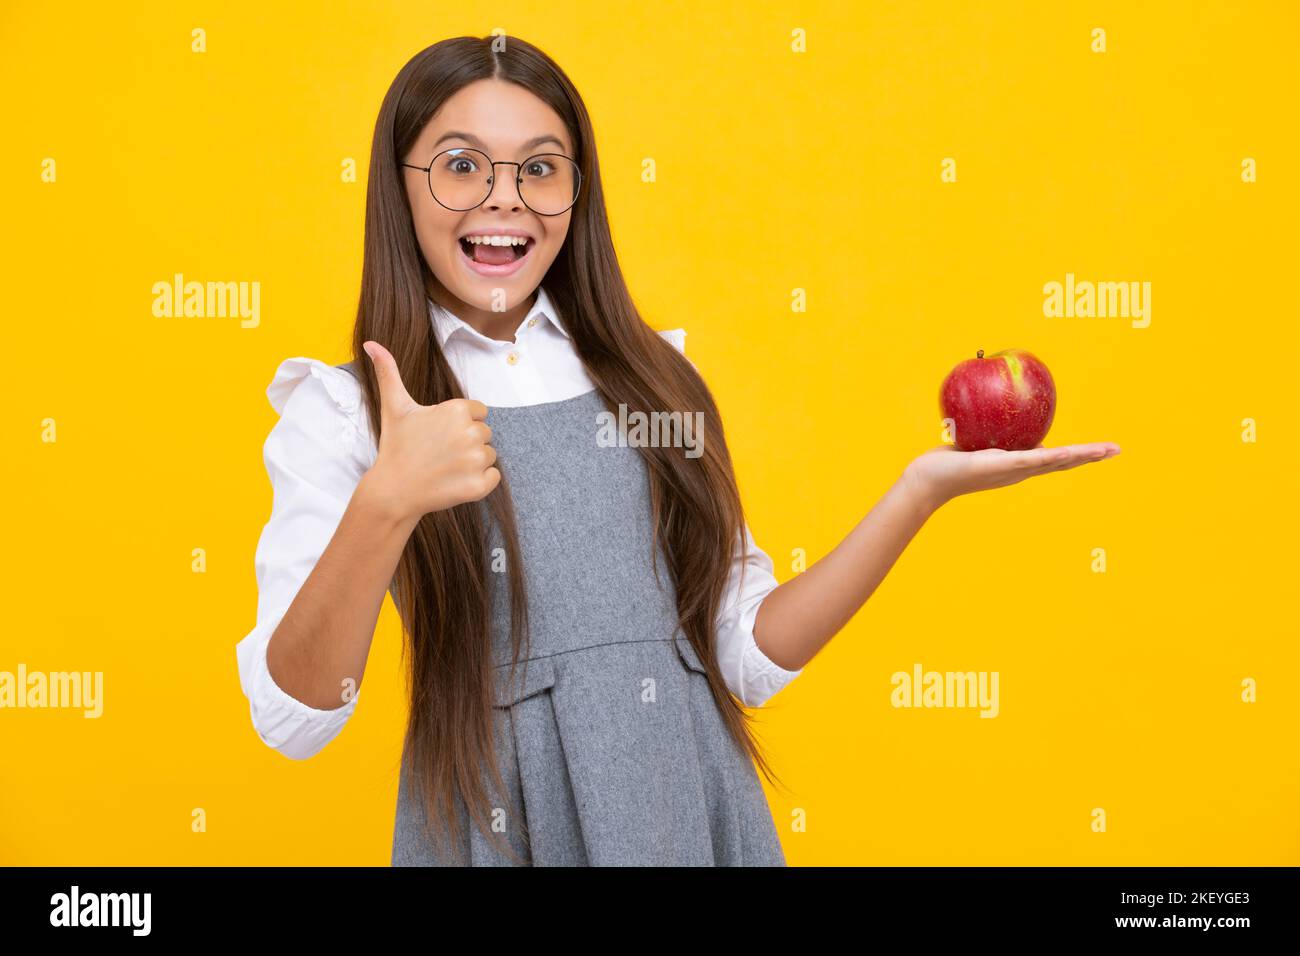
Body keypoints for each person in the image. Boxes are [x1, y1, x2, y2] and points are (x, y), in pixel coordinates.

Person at [235, 34, 1120, 866]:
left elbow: (745, 654)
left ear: (576, 194)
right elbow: (293, 718)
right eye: (461, 165)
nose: (505, 196)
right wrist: (386, 502)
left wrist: (918, 493)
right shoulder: (346, 410)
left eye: (541, 168)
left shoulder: (657, 378)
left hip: (682, 813)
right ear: (399, 186)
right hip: (495, 828)